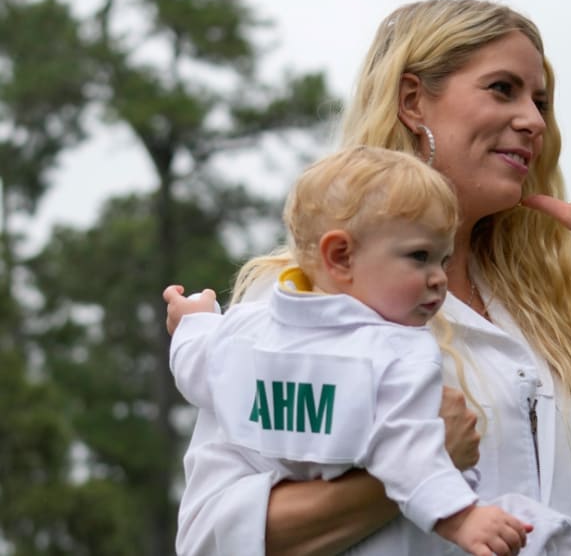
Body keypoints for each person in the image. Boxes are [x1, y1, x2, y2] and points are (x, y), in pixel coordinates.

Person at [171, 0, 571, 556]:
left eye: (541, 102)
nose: (532, 120)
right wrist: (418, 469)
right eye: (502, 89)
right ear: (412, 101)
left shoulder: (558, 324)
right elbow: (215, 533)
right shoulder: (307, 301)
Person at [163, 146, 545, 555]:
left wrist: (195, 320)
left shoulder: (245, 328)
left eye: (443, 260)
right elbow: (411, 452)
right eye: (420, 257)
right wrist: (462, 517)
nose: (438, 279)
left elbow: (195, 367)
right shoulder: (398, 352)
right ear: (340, 256)